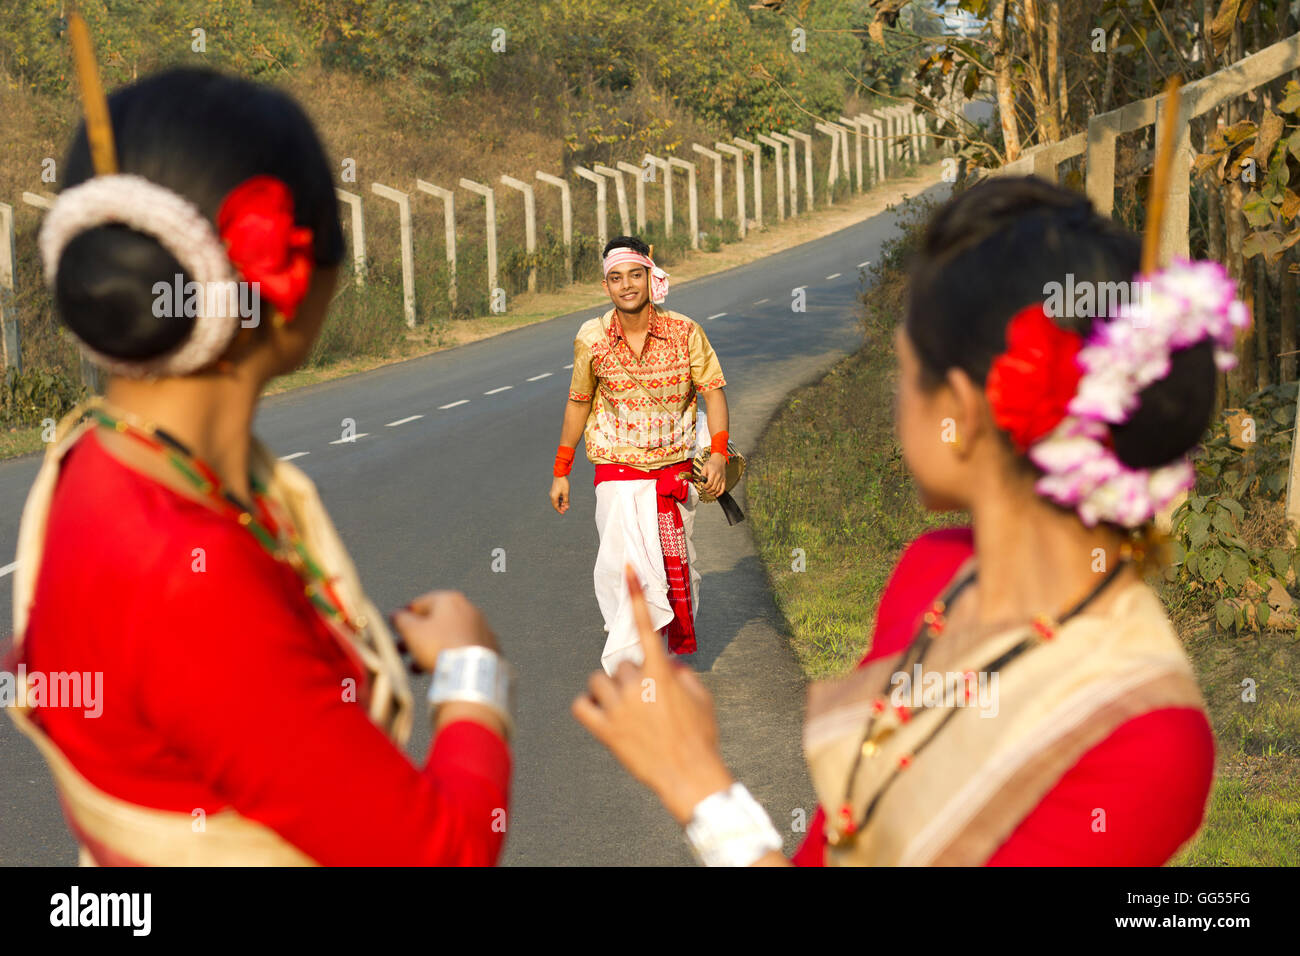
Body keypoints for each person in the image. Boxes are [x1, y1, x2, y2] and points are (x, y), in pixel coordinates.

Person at [572, 177, 1243, 866]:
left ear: (958, 409)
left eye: (903, 369)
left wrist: (696, 783)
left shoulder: (1142, 737)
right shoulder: (939, 571)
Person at [4, 67, 514, 866]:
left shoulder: (96, 459)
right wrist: (471, 672)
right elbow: (437, 852)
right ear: (291, 277)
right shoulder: (184, 576)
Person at [550, 236, 731, 674]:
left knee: (672, 575)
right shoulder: (591, 339)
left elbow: (714, 394)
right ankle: (633, 664)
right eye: (617, 278)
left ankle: (656, 659)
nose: (627, 286)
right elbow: (578, 401)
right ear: (605, 285)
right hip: (617, 474)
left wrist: (719, 454)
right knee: (623, 569)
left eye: (635, 275)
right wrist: (562, 469)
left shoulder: (686, 332)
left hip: (673, 473)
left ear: (651, 279)